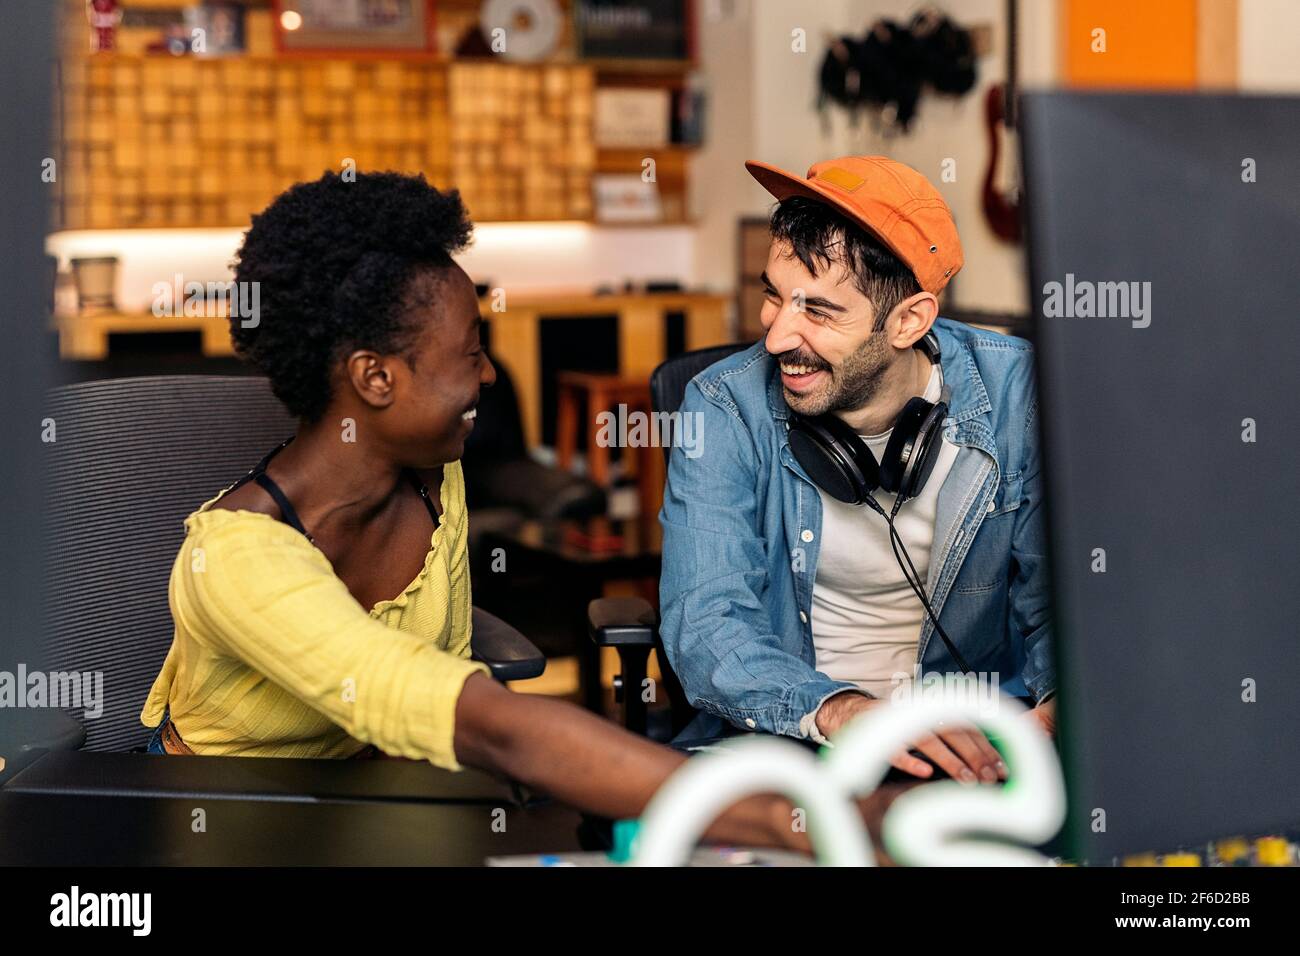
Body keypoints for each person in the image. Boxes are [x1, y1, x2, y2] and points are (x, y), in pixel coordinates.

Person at [138, 170, 808, 851]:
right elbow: (475, 718)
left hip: (367, 805)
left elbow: (438, 706)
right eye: (471, 351)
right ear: (376, 378)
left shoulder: (438, 478)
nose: (488, 374)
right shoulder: (234, 557)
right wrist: (789, 822)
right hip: (221, 825)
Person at [659, 156, 1056, 782]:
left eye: (818, 312)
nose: (776, 337)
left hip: (974, 747)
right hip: (788, 740)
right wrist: (841, 712)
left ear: (909, 321)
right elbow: (707, 624)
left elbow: (1060, 606)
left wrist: (1060, 709)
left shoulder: (1021, 396)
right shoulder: (722, 407)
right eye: (773, 295)